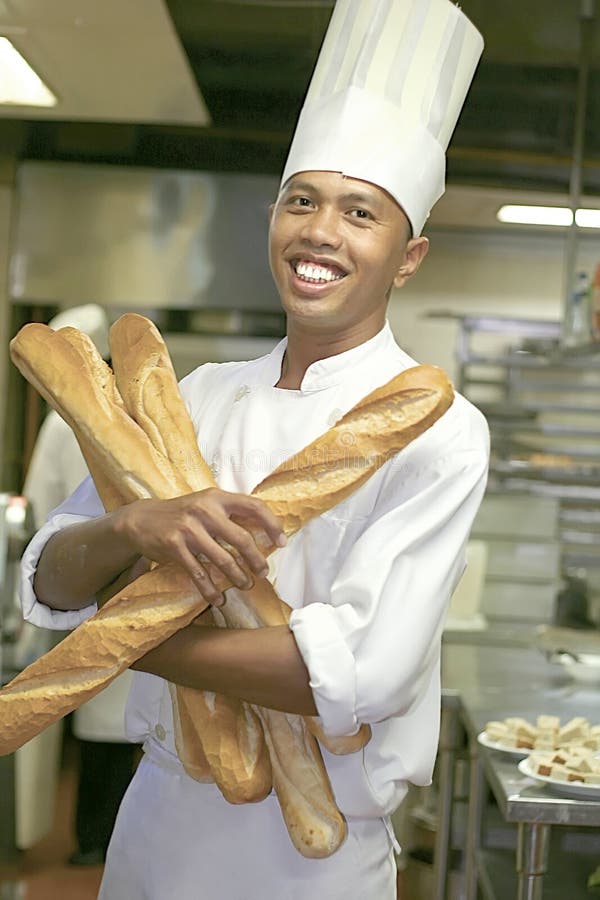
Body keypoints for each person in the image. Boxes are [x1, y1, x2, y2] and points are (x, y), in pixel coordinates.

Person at [19, 1, 488, 897]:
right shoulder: (196, 396)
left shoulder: (443, 427)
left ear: (409, 256)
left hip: (314, 852)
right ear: (273, 218)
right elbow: (51, 580)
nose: (320, 231)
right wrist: (138, 527)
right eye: (301, 201)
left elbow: (362, 676)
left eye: (361, 213)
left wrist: (122, 642)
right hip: (156, 817)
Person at [23, 304, 137, 866]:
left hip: (86, 586)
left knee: (104, 731)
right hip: (122, 585)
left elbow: (41, 508)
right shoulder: (140, 414)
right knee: (119, 729)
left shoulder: (59, 421)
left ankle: (94, 843)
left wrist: (66, 566)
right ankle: (106, 842)